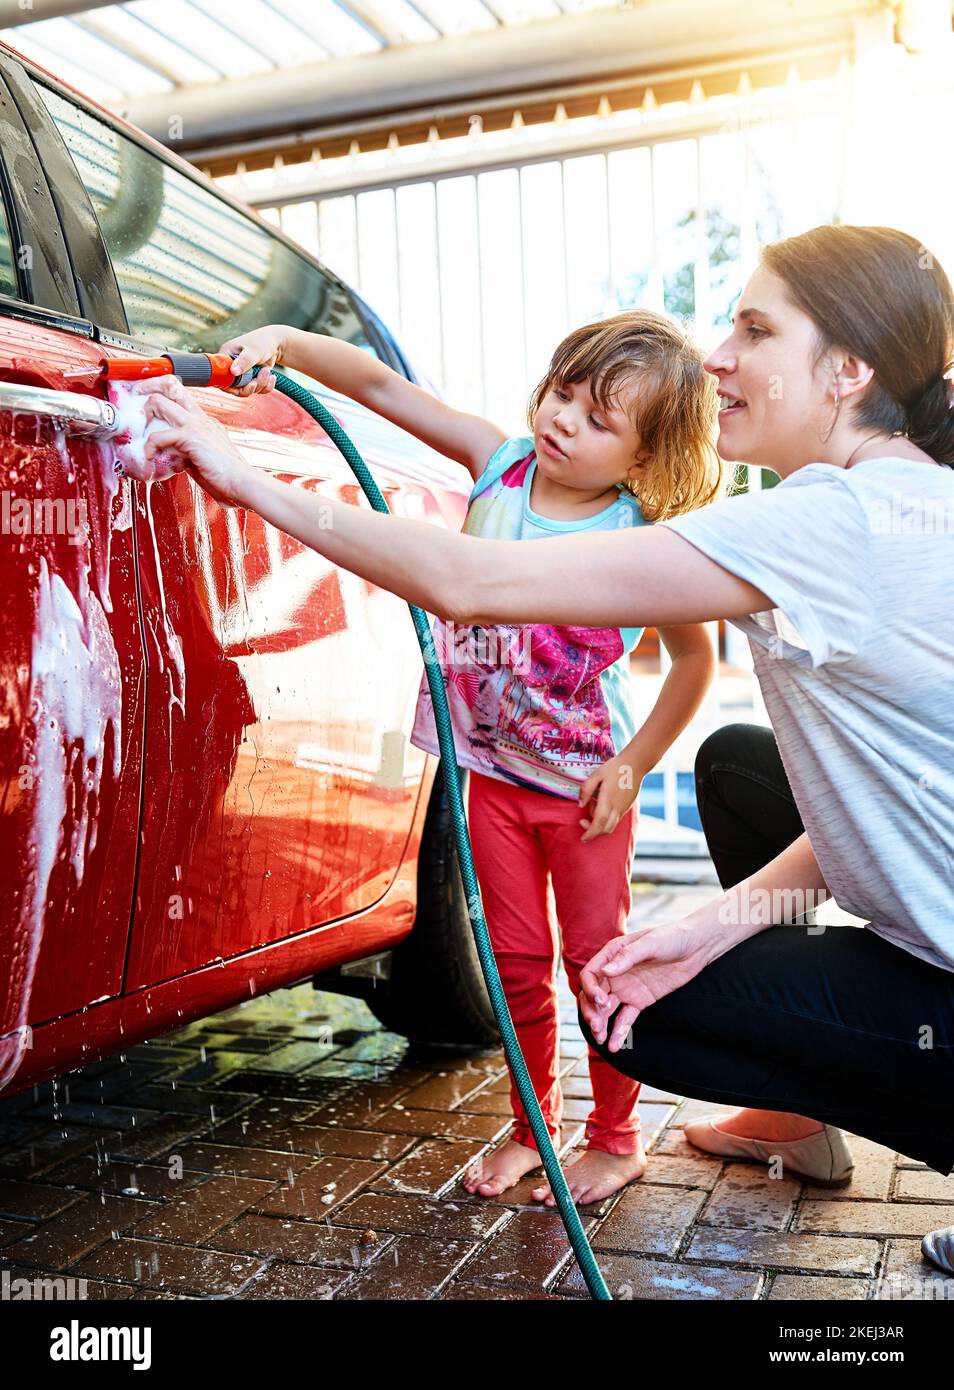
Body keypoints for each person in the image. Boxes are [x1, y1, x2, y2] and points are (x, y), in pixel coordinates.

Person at [124, 224, 953, 1270]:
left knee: (627, 1012)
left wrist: (246, 479)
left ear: (847, 370)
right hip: (887, 925)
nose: (718, 354)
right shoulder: (909, 502)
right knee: (740, 771)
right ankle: (791, 1113)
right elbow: (870, 810)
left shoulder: (833, 519)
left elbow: (473, 584)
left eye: (754, 328)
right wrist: (709, 927)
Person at [172, 311, 722, 1204]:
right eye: (563, 391)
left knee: (595, 963)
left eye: (597, 420)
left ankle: (616, 1139)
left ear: (645, 462)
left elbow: (695, 661)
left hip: (583, 792)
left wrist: (635, 765)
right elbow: (383, 389)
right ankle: (531, 1132)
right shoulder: (496, 463)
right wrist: (288, 342)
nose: (563, 419)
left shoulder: (637, 536)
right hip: (492, 777)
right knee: (511, 965)